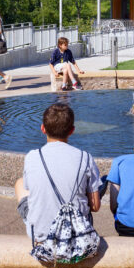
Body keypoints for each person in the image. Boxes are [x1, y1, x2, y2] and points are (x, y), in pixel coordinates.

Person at [15, 103, 102, 245]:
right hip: (77, 234)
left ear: (43, 128)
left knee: (20, 183)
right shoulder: (85, 158)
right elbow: (95, 206)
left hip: (40, 234)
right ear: (72, 130)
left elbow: (30, 189)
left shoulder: (32, 156)